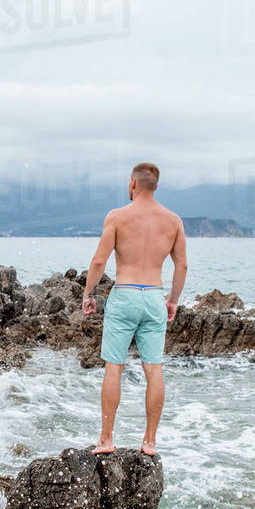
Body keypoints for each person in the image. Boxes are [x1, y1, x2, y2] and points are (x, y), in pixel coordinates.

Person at [80, 162, 188, 456]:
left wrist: (88, 293)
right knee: (153, 370)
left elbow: (99, 262)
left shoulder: (117, 217)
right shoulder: (173, 221)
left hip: (125, 294)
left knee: (114, 368)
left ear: (132, 184)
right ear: (155, 186)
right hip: (154, 295)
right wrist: (173, 300)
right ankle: (150, 442)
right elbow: (182, 264)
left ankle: (106, 440)